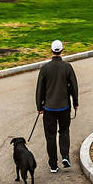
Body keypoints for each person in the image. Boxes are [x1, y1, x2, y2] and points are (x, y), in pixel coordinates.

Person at [36, 40, 79, 170]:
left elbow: (40, 89)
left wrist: (39, 106)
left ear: (51, 50)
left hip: (49, 108)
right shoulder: (67, 67)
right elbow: (74, 87)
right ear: (62, 50)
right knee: (64, 131)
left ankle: (53, 164)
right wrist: (75, 102)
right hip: (64, 107)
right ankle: (65, 156)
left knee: (50, 136)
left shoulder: (45, 68)